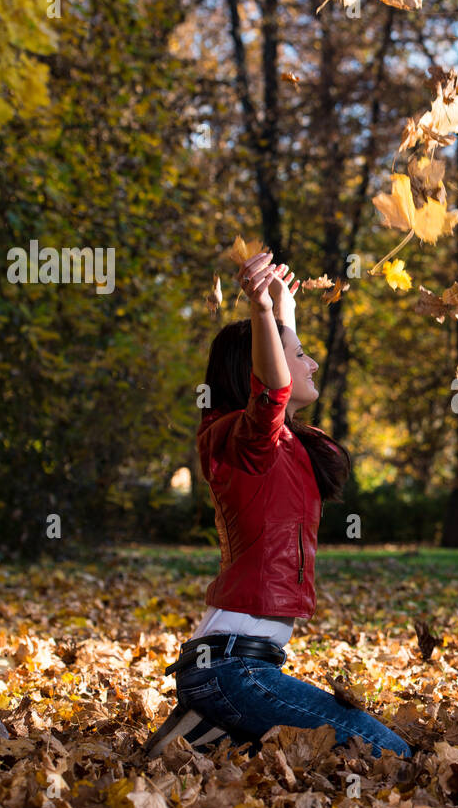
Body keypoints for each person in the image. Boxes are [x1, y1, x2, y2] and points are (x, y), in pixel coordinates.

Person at [144, 250, 410, 760]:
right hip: (231, 670)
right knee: (391, 753)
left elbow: (276, 377)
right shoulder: (246, 441)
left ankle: (206, 733)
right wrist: (263, 313)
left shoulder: (278, 444)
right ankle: (216, 722)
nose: (312, 361)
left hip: (237, 667)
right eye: (300, 351)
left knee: (348, 751)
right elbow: (272, 388)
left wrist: (281, 310)